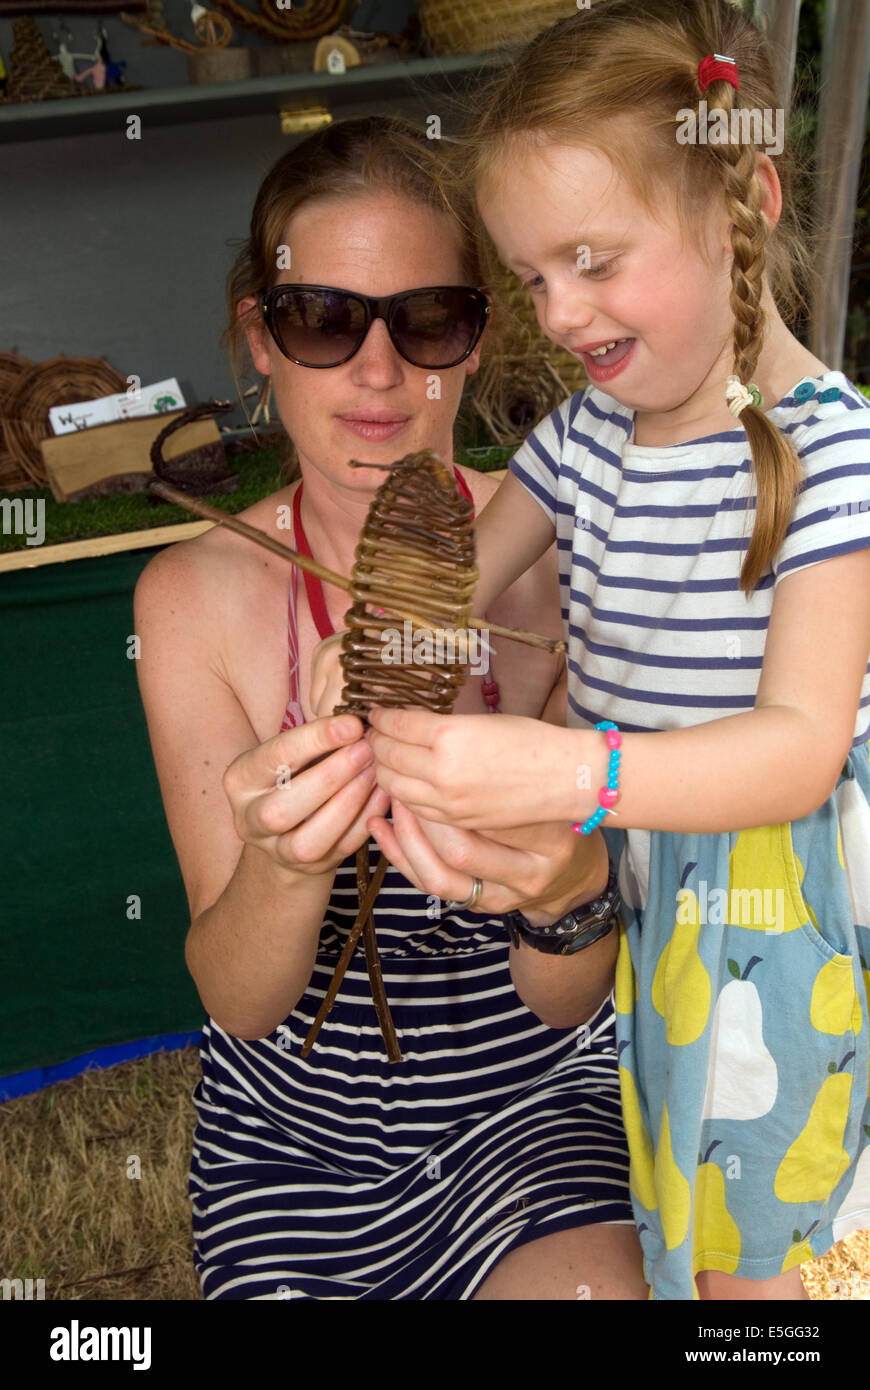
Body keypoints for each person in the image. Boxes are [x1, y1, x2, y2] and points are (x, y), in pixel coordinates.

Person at [356, 2, 870, 1300]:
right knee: (683, 1221)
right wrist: (372, 654)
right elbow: (459, 581)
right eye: (532, 276)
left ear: (738, 202)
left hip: (786, 908)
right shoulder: (589, 436)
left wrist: (563, 772)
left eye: (591, 258)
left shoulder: (827, 456)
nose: (559, 310)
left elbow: (798, 751)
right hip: (660, 892)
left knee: (775, 1261)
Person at [133, 114, 647, 1301]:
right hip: (293, 1134)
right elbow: (240, 999)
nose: (378, 371)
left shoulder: (557, 567)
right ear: (258, 338)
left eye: (427, 320)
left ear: (477, 340)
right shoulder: (188, 599)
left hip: (529, 1104)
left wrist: (570, 887)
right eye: (323, 320)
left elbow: (564, 995)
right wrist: (286, 858)